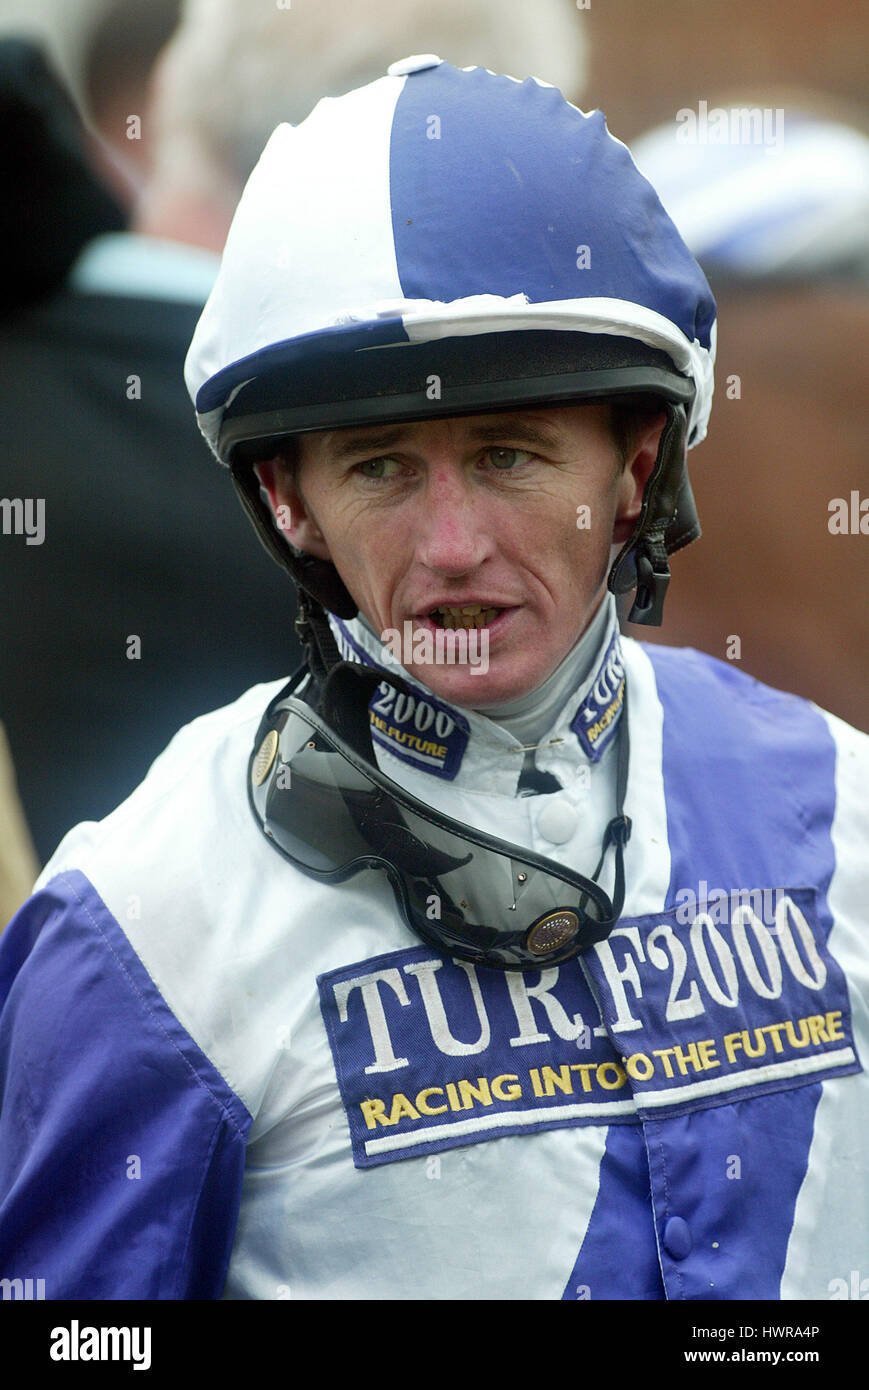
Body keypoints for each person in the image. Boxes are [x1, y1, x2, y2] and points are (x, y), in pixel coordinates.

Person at [0, 57, 866, 1303]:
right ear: (286, 502)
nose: (451, 548)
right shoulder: (143, 926)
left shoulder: (842, 810)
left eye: (507, 455)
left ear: (636, 469)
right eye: (381, 469)